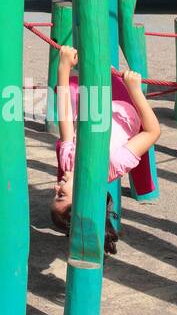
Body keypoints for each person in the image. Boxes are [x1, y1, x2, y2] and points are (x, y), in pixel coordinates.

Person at [51, 45, 161, 254]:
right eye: (60, 196)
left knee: (88, 54)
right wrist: (135, 90)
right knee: (98, 52)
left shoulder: (67, 161)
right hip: (123, 101)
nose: (56, 188)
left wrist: (63, 68)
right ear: (82, 197)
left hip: (92, 105)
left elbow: (64, 116)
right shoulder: (112, 164)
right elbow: (153, 132)